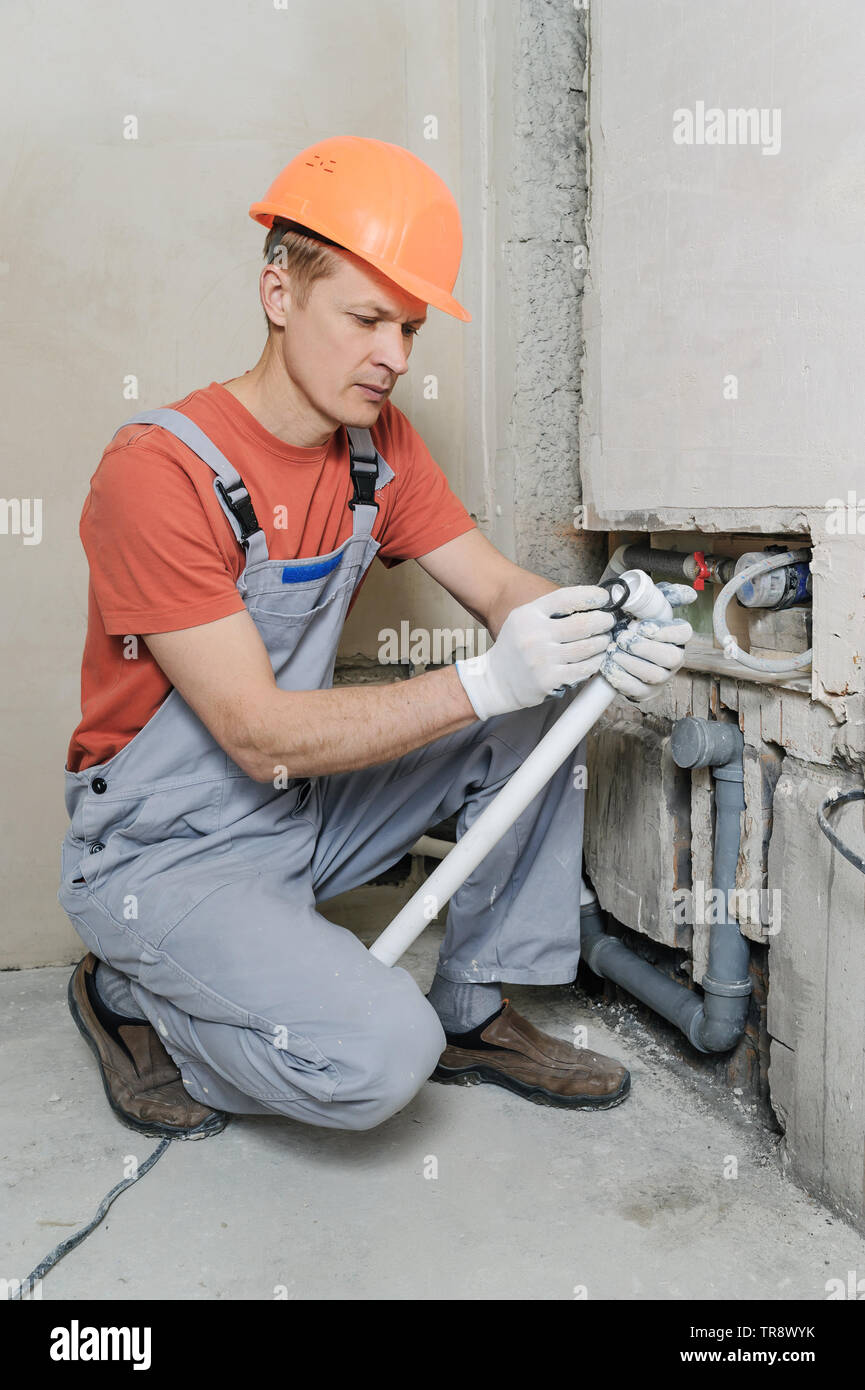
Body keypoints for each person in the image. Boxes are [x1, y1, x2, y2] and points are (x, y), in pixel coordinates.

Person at [59, 135, 693, 1139]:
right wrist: (488, 680)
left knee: (550, 697)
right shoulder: (160, 473)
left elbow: (499, 591)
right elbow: (259, 733)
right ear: (278, 292)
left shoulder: (378, 447)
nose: (393, 357)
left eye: (408, 327)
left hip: (294, 816)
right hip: (165, 851)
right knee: (374, 1061)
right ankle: (131, 995)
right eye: (364, 319)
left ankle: (472, 1007)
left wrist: (605, 625)